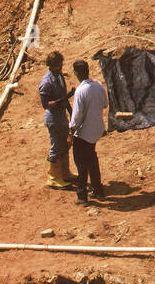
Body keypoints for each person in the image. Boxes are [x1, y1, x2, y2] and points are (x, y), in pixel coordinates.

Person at [68, 59, 108, 203]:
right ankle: (98, 190)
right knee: (91, 158)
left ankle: (82, 195)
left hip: (84, 132)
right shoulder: (98, 85)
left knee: (81, 162)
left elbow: (77, 117)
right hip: (96, 129)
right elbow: (105, 104)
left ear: (76, 73)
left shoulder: (80, 91)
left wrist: (71, 132)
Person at [38, 51, 73, 189]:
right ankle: (53, 178)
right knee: (55, 147)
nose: (60, 67)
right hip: (53, 119)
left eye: (61, 64)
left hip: (62, 117)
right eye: (57, 65)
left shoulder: (59, 77)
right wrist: (62, 100)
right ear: (51, 66)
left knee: (64, 145)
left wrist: (71, 112)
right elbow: (46, 105)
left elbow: (64, 96)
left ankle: (65, 174)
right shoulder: (46, 82)